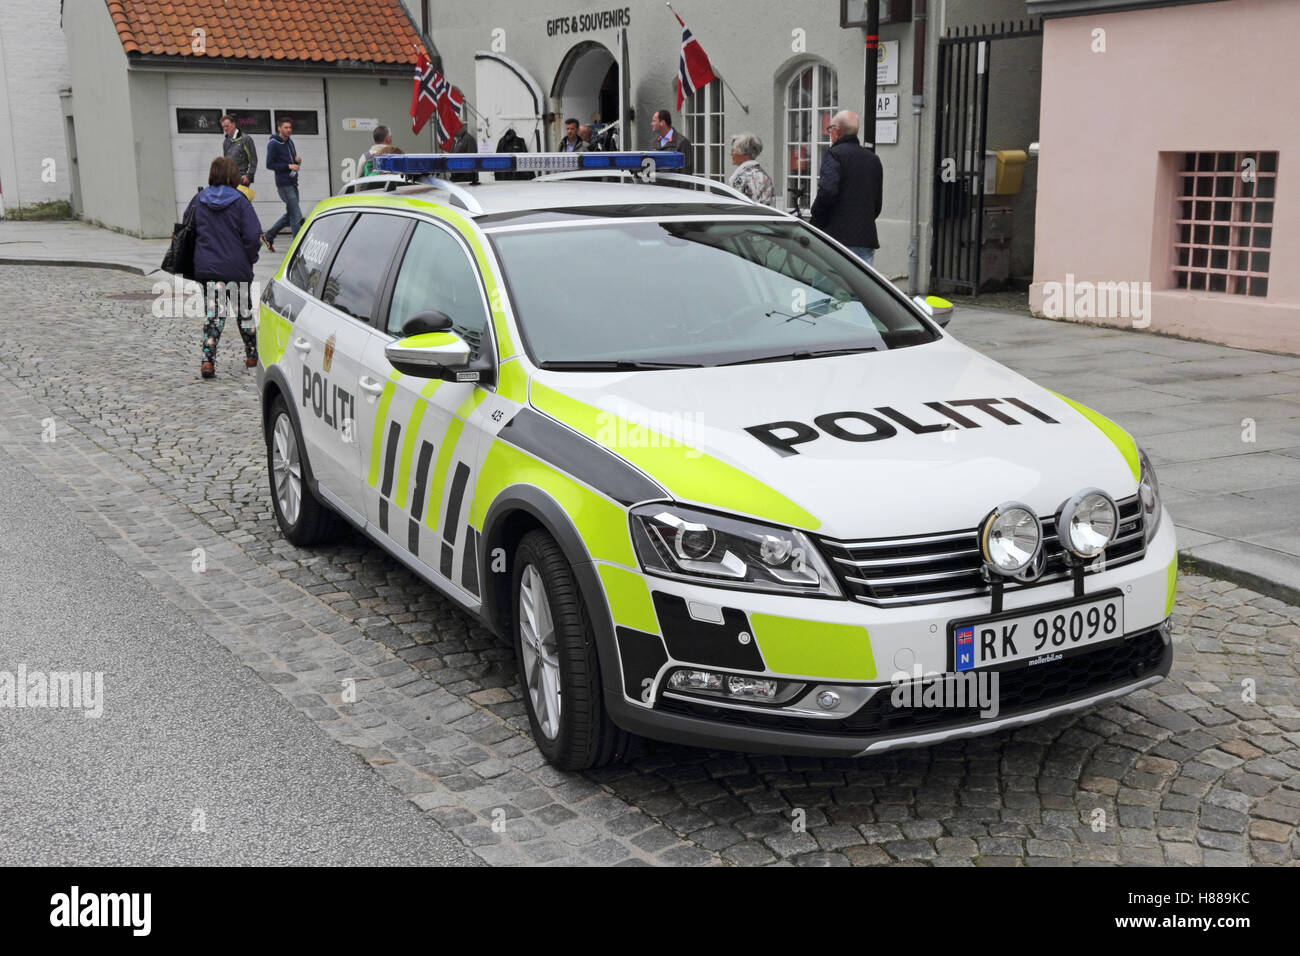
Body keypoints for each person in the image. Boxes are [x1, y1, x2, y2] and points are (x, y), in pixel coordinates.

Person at [187, 157, 262, 379]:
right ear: (233, 176)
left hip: (209, 269)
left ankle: (208, 360)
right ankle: (251, 355)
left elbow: (187, 230)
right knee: (243, 312)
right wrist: (250, 257)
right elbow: (252, 235)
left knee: (214, 314)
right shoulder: (240, 201)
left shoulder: (199, 199)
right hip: (236, 269)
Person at [810, 109, 883, 265]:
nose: (829, 133)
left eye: (829, 129)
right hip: (865, 237)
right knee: (862, 287)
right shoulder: (873, 159)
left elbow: (827, 192)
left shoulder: (834, 154)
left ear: (836, 132)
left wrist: (815, 216)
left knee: (824, 288)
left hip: (836, 237)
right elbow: (877, 204)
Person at [264, 117, 303, 252]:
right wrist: (289, 166)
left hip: (293, 181)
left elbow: (291, 161)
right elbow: (269, 164)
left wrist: (296, 161)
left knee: (291, 214)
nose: (288, 130)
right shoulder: (274, 143)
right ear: (279, 128)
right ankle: (297, 247)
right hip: (284, 184)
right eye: (285, 127)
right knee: (297, 215)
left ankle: (268, 236)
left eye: (290, 127)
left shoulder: (290, 142)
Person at [727, 132, 775, 206]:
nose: (731, 154)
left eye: (733, 150)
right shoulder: (765, 176)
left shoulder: (741, 176)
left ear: (743, 153)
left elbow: (735, 204)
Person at [650, 109, 693, 174]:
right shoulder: (655, 143)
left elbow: (686, 170)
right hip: (658, 184)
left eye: (654, 121)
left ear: (662, 123)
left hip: (673, 184)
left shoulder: (682, 142)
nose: (651, 124)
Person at [220, 115, 258, 189]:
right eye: (223, 127)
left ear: (233, 124)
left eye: (227, 126)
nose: (225, 129)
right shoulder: (226, 142)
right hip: (229, 179)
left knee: (239, 200)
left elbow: (253, 159)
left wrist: (249, 176)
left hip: (242, 179)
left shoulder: (246, 139)